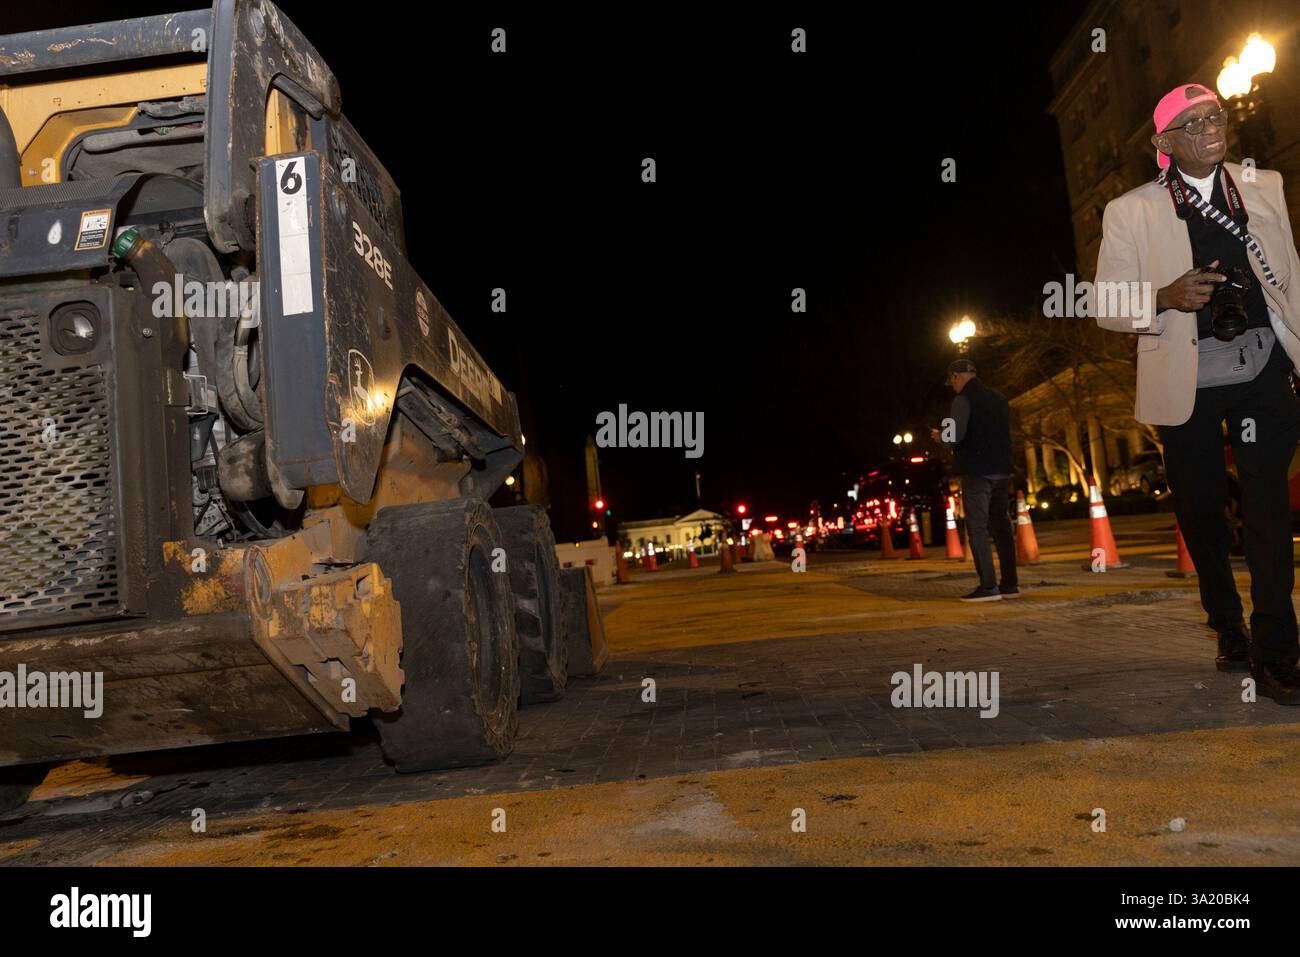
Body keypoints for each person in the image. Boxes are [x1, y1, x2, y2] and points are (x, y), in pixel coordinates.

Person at [1095, 83, 1300, 705]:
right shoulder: (1130, 210)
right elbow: (1104, 303)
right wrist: (1164, 296)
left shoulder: (1264, 185)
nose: (1210, 128)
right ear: (1164, 142)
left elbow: (1290, 272)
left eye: (1215, 116)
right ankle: (1228, 625)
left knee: (1267, 507)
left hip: (1261, 365)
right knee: (1203, 511)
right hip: (1186, 377)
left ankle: (1278, 651)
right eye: (1193, 123)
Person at [932, 358, 1018, 602]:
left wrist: (940, 437)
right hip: (1002, 470)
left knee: (977, 528)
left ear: (957, 377)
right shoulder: (999, 398)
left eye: (952, 382)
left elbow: (954, 436)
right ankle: (1010, 584)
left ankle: (988, 586)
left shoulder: (962, 400)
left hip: (978, 473)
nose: (953, 387)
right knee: (1001, 527)